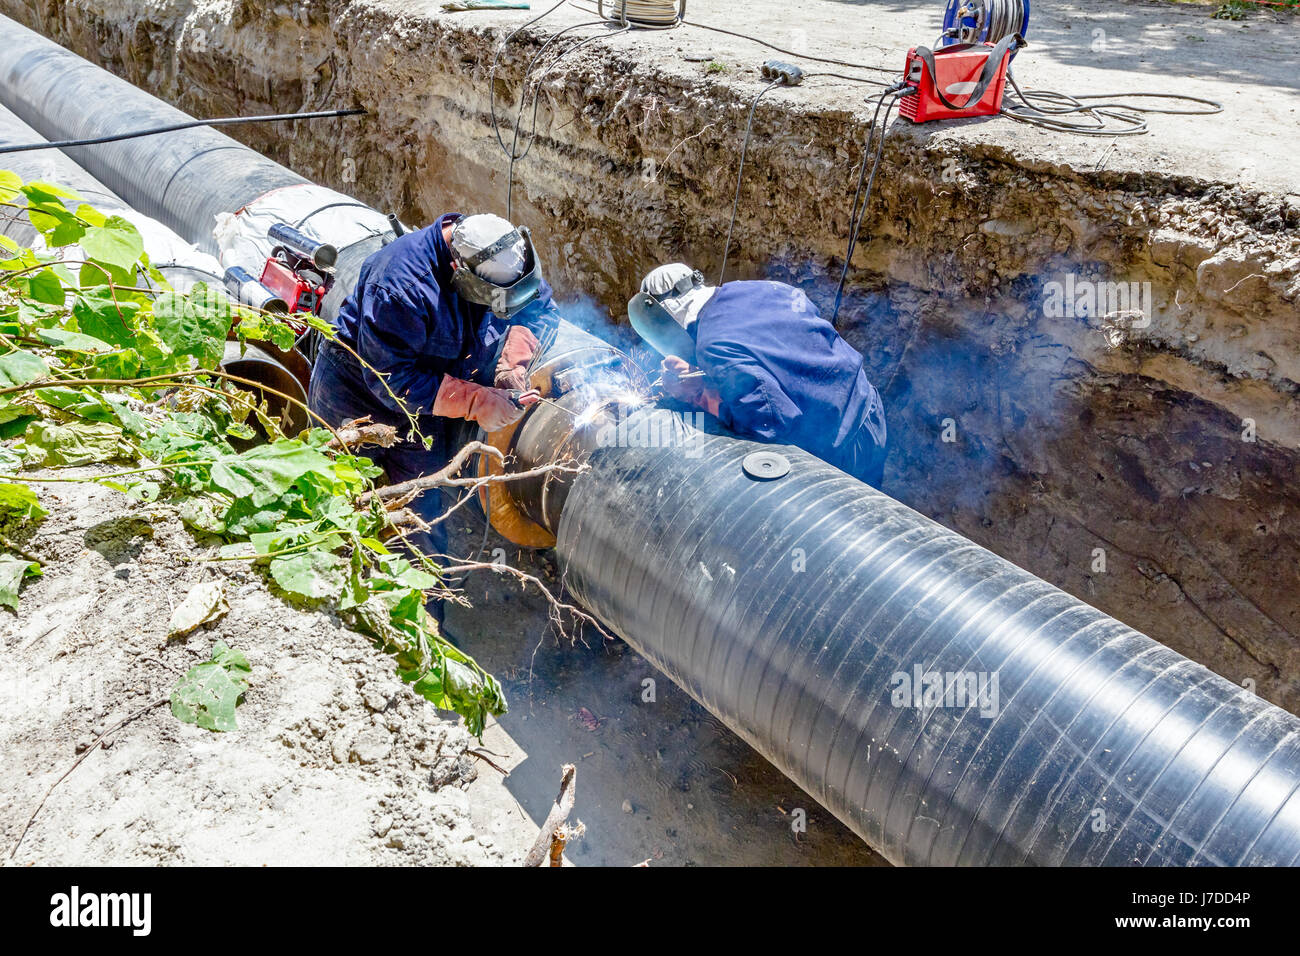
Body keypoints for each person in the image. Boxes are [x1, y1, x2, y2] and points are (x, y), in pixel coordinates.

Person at [308, 212, 561, 613]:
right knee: (340, 497)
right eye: (497, 300)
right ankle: (333, 614)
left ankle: (424, 623)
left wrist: (513, 365)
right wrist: (476, 401)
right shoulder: (401, 284)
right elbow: (391, 380)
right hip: (357, 394)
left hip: (427, 403)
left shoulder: (505, 259)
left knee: (419, 515)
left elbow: (539, 309)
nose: (505, 304)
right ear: (463, 274)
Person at [628, 263, 887, 487]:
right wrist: (708, 378)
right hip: (869, 407)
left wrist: (706, 398)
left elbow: (770, 426)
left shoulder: (714, 345)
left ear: (664, 319)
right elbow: (775, 354)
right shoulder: (760, 288)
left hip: (842, 445)